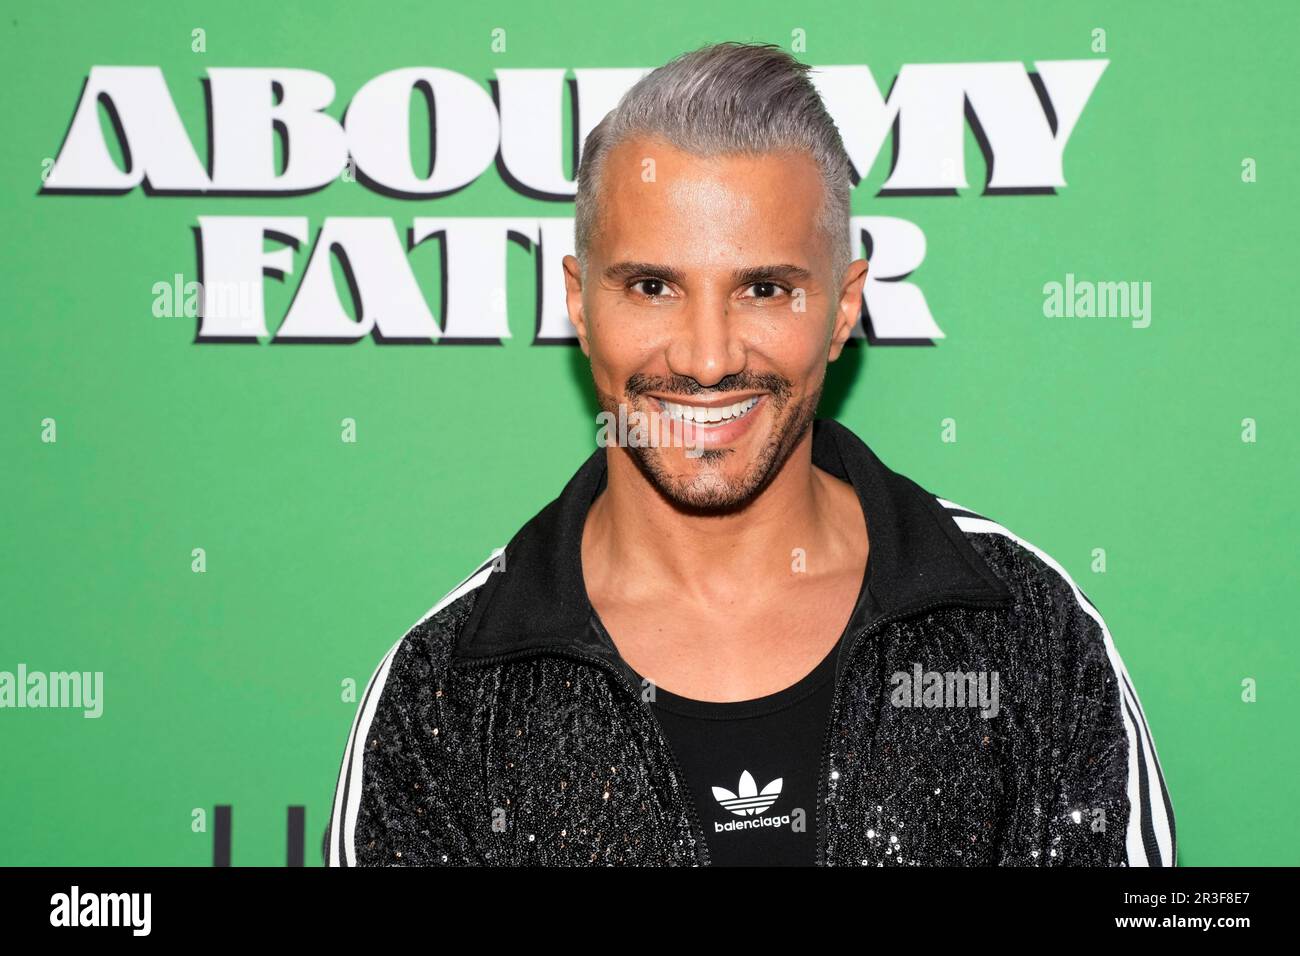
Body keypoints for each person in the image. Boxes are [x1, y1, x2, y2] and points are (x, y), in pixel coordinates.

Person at [326, 41, 1174, 867]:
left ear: (843, 310)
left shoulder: (1023, 633)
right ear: (580, 303)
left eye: (764, 289)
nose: (705, 358)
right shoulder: (443, 693)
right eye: (653, 287)